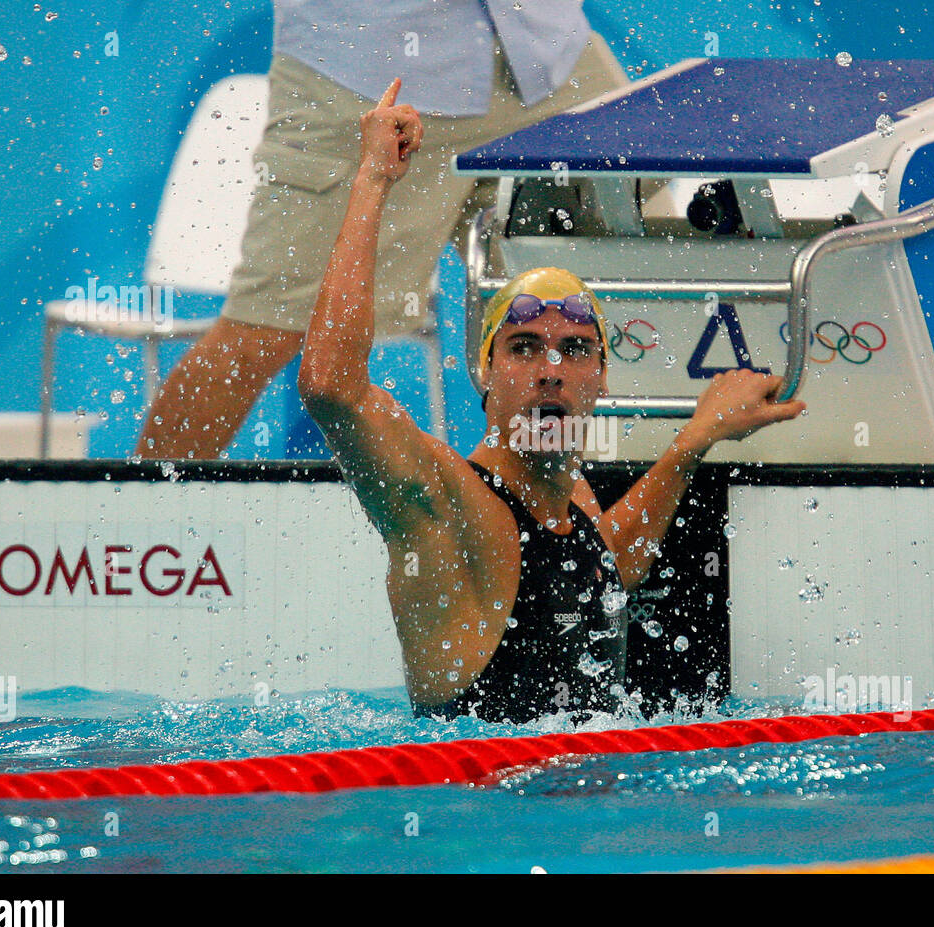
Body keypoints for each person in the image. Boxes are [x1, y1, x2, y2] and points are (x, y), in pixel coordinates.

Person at [298, 80, 808, 723]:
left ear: (601, 380)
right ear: (484, 373)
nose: (549, 372)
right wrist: (373, 181)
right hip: (481, 814)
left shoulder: (576, 500)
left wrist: (695, 438)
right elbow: (329, 388)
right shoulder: (448, 508)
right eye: (522, 348)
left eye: (574, 350)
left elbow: (606, 562)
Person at [135, 1, 629, 459]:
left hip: (546, 58)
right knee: (264, 333)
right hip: (363, 72)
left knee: (592, 323)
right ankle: (143, 531)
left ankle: (573, 542)